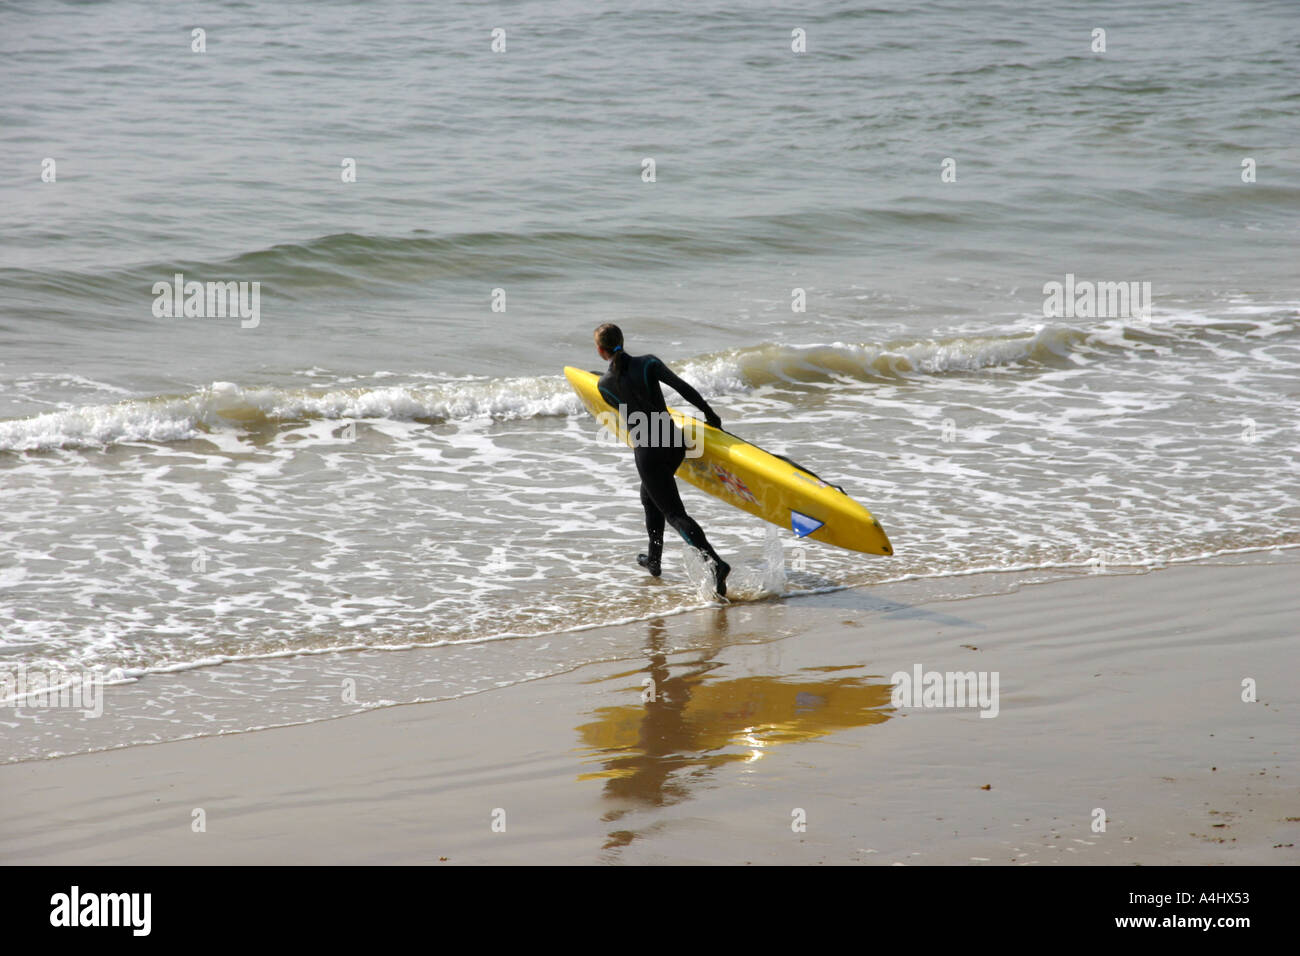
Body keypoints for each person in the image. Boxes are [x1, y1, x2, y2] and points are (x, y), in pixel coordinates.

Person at [593, 323, 731, 597]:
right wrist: (709, 413)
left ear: (600, 350)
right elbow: (682, 387)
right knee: (649, 497)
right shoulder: (648, 363)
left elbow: (626, 413)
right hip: (673, 443)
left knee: (675, 514)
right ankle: (654, 560)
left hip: (648, 450)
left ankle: (716, 564)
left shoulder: (604, 385)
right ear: (622, 340)